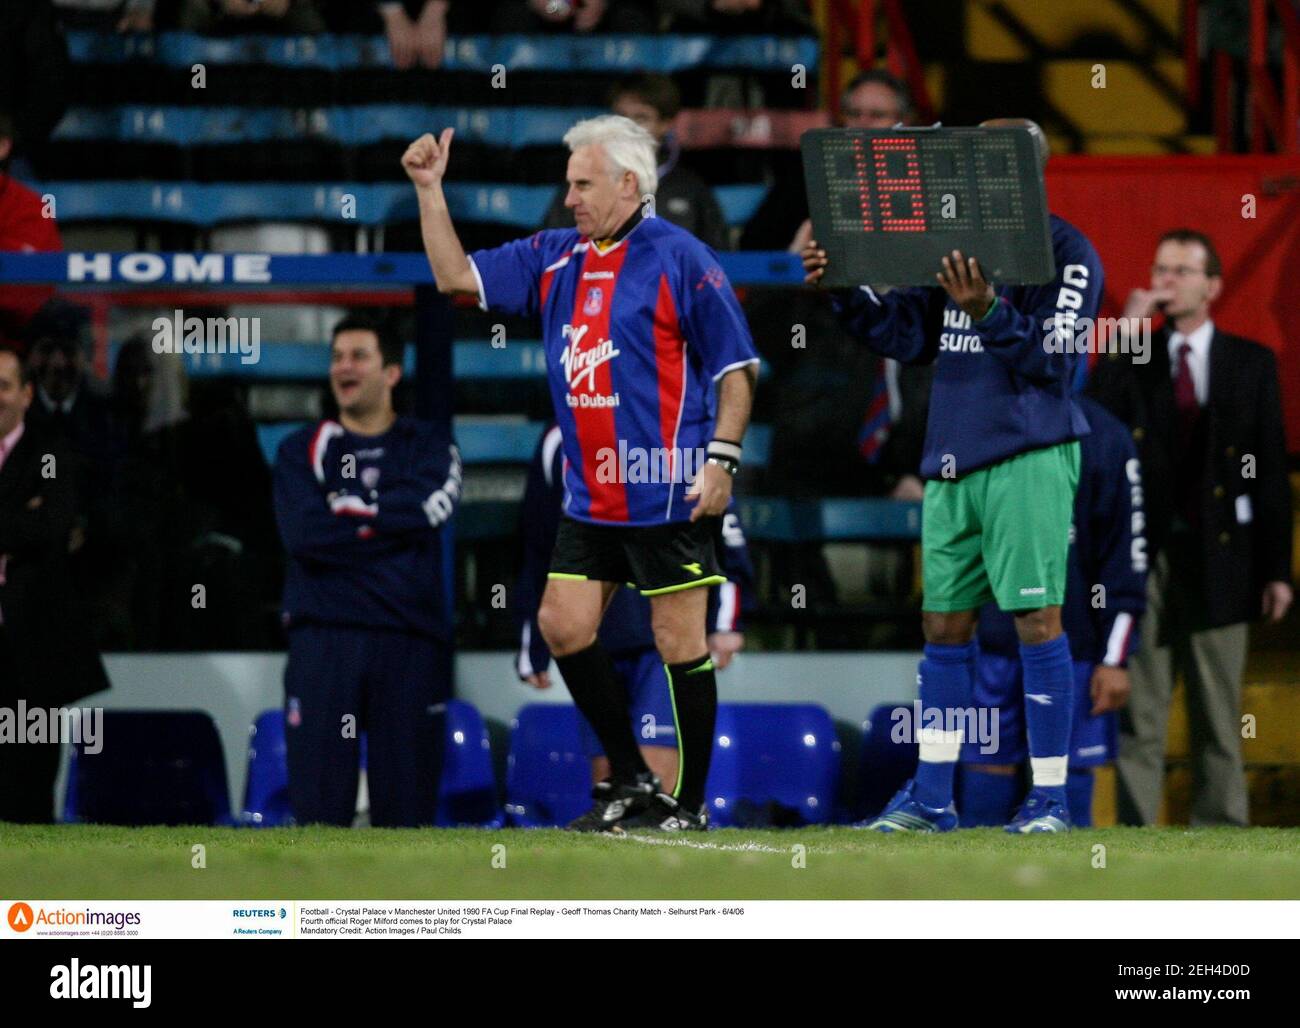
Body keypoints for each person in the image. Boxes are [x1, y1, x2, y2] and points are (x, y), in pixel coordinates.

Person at [404, 114, 759, 832]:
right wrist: (428, 189)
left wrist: (721, 459)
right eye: (568, 184)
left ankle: (687, 805)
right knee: (563, 626)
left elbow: (736, 370)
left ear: (630, 184)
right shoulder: (554, 255)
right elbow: (452, 276)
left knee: (678, 644)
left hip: (666, 488)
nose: (569, 199)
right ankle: (629, 778)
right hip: (591, 497)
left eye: (583, 184)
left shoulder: (682, 257)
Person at [804, 119, 1104, 833]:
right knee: (943, 625)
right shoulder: (950, 246)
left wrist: (990, 311)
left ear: (1022, 170)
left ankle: (1052, 800)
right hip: (950, 457)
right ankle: (932, 796)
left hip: (1028, 453)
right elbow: (908, 334)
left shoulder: (1067, 252)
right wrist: (847, 288)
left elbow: (1056, 365)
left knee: (1035, 618)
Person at [1089, 229, 1293, 827]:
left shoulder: (1250, 363)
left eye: (1181, 270)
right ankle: (1136, 840)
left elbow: (1270, 474)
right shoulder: (1138, 355)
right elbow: (1094, 420)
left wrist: (1276, 569)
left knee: (1218, 714)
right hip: (1147, 558)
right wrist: (1122, 336)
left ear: (1213, 284)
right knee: (1141, 716)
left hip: (1222, 560)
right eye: (1160, 269)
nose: (1166, 281)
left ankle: (1222, 832)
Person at [272, 316, 462, 827]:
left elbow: (428, 511)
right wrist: (386, 526)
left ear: (392, 372)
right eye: (337, 357)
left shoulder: (430, 445)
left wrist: (349, 512)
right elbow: (305, 537)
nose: (344, 368)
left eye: (358, 356)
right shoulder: (300, 449)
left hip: (408, 642)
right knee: (318, 814)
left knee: (408, 817)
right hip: (323, 641)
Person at [515, 423, 755, 789]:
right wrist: (533, 642)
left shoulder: (682, 428)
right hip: (594, 639)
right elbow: (539, 544)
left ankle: (676, 830)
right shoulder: (559, 439)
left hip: (662, 634)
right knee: (610, 778)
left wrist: (724, 621)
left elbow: (722, 529)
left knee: (657, 773)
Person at [959, 395, 1147, 827]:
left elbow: (1126, 558)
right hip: (992, 646)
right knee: (987, 762)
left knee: (1067, 769)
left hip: (1075, 649)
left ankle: (1071, 885)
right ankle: (973, 882)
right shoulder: (979, 426)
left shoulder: (1106, 437)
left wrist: (1114, 659)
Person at [0, 344, 108, 823]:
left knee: (28, 795)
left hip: (33, 654)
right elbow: (32, 529)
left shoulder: (52, 453)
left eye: (4, 386)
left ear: (26, 394)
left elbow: (52, 527)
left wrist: (34, 524)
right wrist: (20, 517)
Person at [541, 75, 729, 253]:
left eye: (641, 118)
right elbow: (548, 253)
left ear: (666, 123)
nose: (627, 127)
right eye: (621, 117)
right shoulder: (581, 184)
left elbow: (718, 264)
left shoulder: (690, 189)